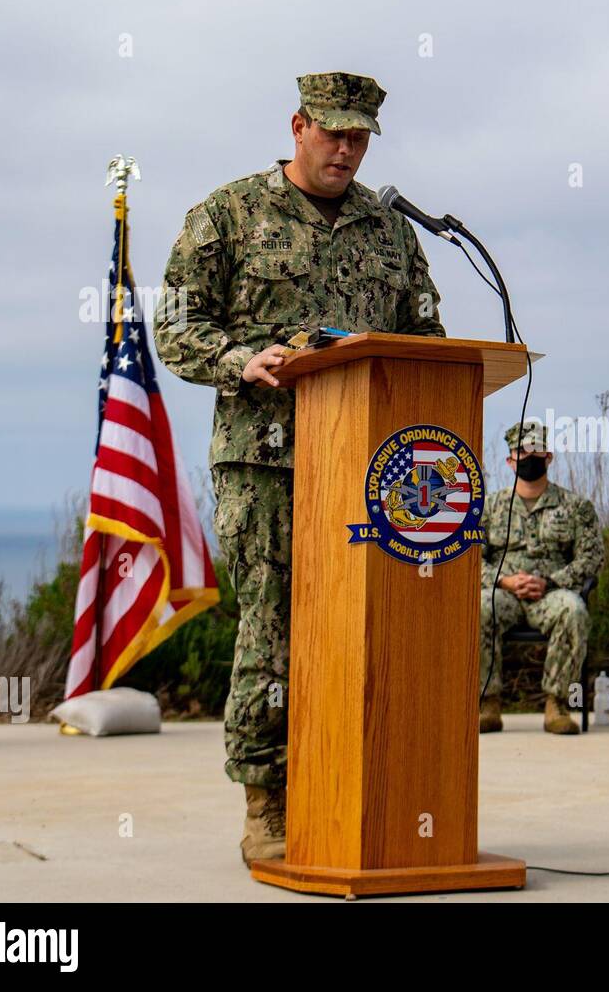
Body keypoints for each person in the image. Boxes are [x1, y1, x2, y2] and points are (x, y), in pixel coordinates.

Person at [153, 72, 446, 866]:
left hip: (374, 466)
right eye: (334, 133)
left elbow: (427, 338)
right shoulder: (228, 215)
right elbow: (174, 329)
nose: (346, 149)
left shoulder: (391, 233)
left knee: (374, 625)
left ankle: (365, 783)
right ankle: (267, 799)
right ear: (298, 126)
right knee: (276, 624)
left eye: (359, 138)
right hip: (268, 462)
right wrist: (242, 357)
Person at [478, 422, 604, 735]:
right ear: (510, 460)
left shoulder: (576, 507)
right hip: (503, 592)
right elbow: (468, 559)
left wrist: (550, 581)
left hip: (550, 592)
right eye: (522, 451)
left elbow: (592, 559)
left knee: (574, 611)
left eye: (536, 450)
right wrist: (503, 581)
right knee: (477, 608)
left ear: (548, 456)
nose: (529, 456)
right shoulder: (489, 507)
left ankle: (557, 704)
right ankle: (487, 703)